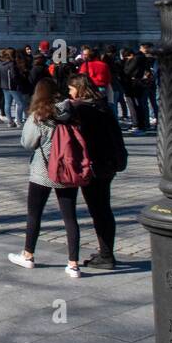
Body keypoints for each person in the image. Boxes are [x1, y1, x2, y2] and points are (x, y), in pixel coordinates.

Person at [9, 78, 83, 278]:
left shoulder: (40, 115)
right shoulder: (71, 111)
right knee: (70, 217)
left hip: (42, 171)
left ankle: (28, 254)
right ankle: (73, 263)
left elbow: (28, 143)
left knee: (35, 214)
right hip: (67, 169)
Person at [67, 74, 126, 270]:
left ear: (79, 89)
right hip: (109, 163)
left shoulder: (80, 108)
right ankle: (105, 250)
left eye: (71, 89)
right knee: (104, 209)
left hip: (93, 165)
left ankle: (107, 255)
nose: (69, 93)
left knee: (98, 211)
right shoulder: (102, 105)